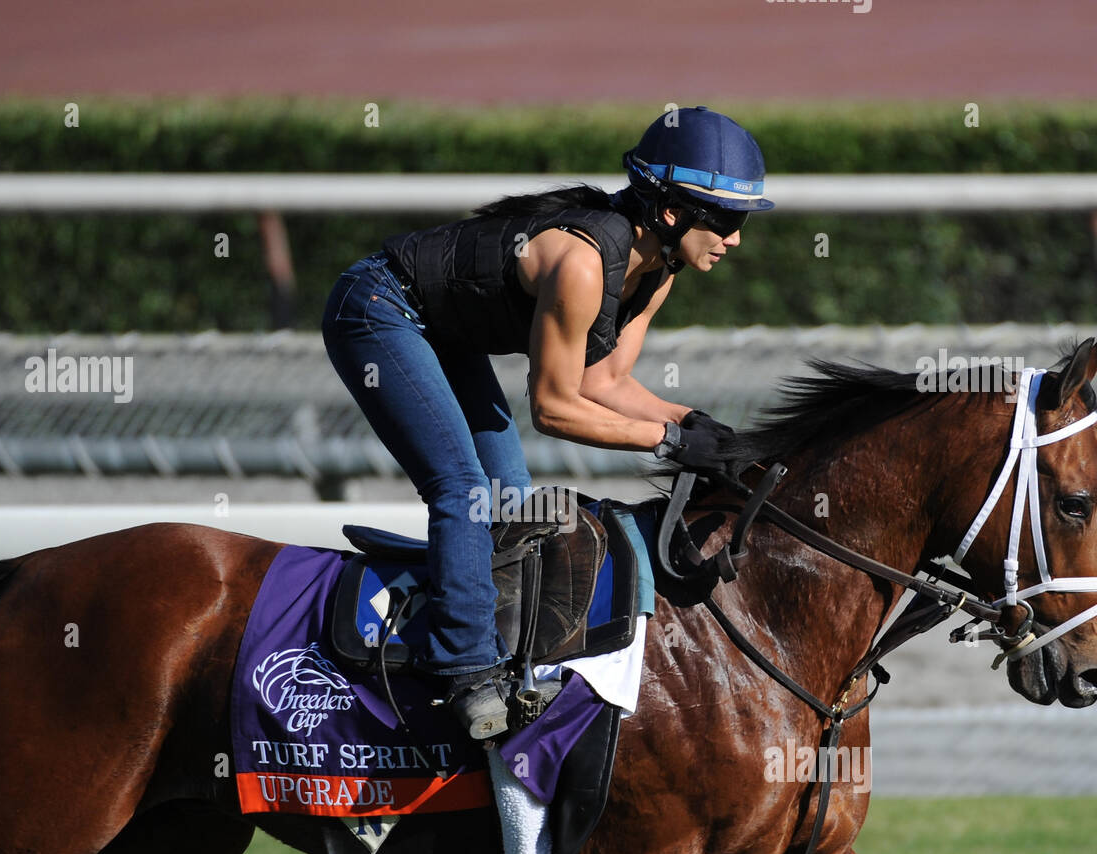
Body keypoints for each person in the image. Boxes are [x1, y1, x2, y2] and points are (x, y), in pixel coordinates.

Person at [321, 106, 775, 739]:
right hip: (377, 308)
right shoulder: (585, 264)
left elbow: (603, 382)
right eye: (726, 221)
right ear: (672, 212)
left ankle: (499, 649)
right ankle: (466, 667)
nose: (735, 239)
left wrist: (696, 423)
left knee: (509, 494)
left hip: (446, 330)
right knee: (465, 490)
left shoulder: (657, 271)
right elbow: (555, 408)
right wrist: (669, 441)